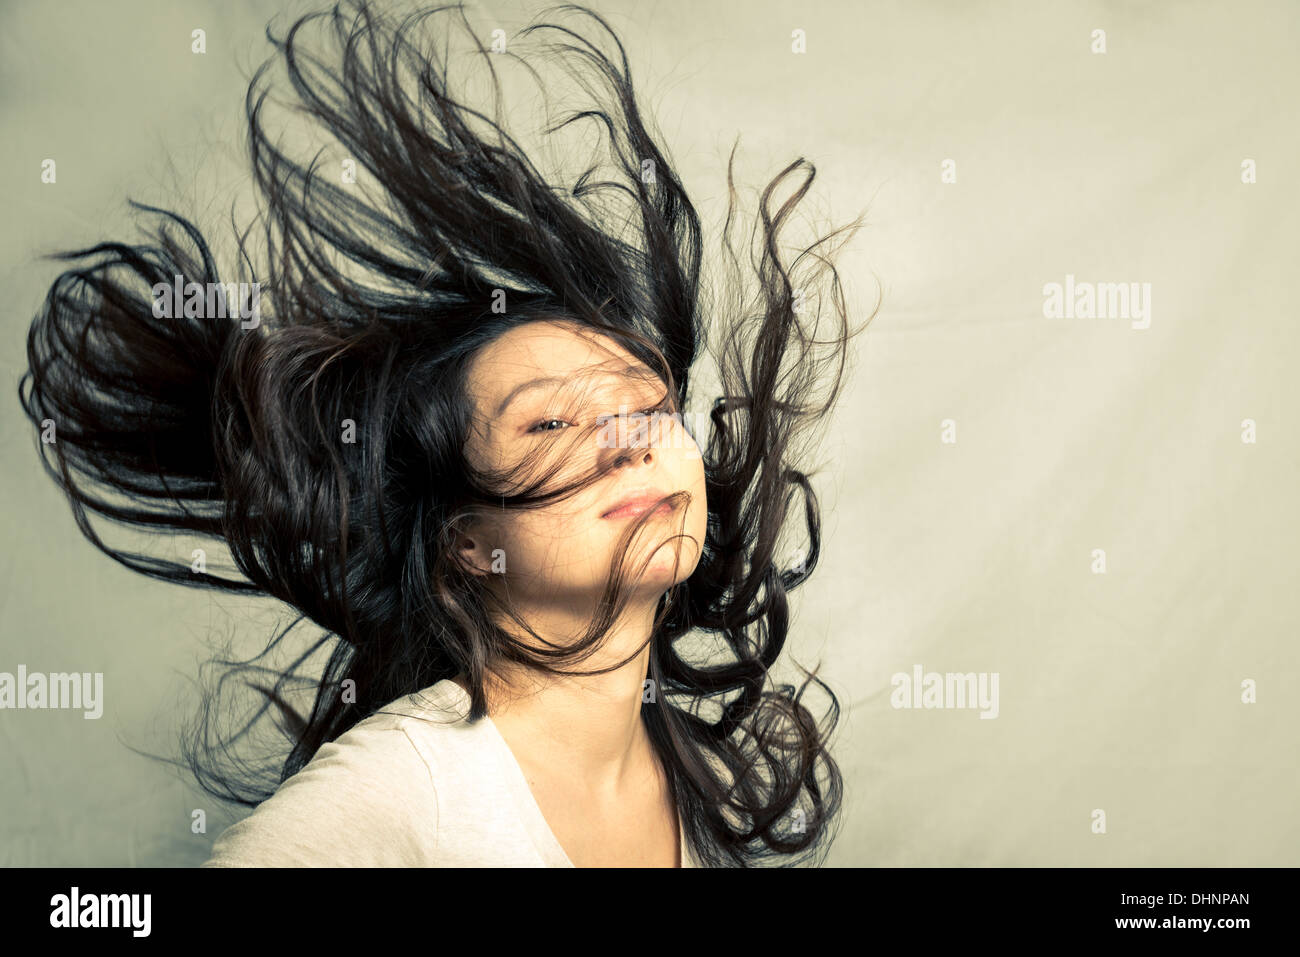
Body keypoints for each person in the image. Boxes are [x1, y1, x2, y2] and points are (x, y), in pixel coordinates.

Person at [18, 0, 872, 867]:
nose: (630, 442)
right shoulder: (395, 797)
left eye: (648, 405)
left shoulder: (700, 790)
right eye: (550, 421)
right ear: (466, 543)